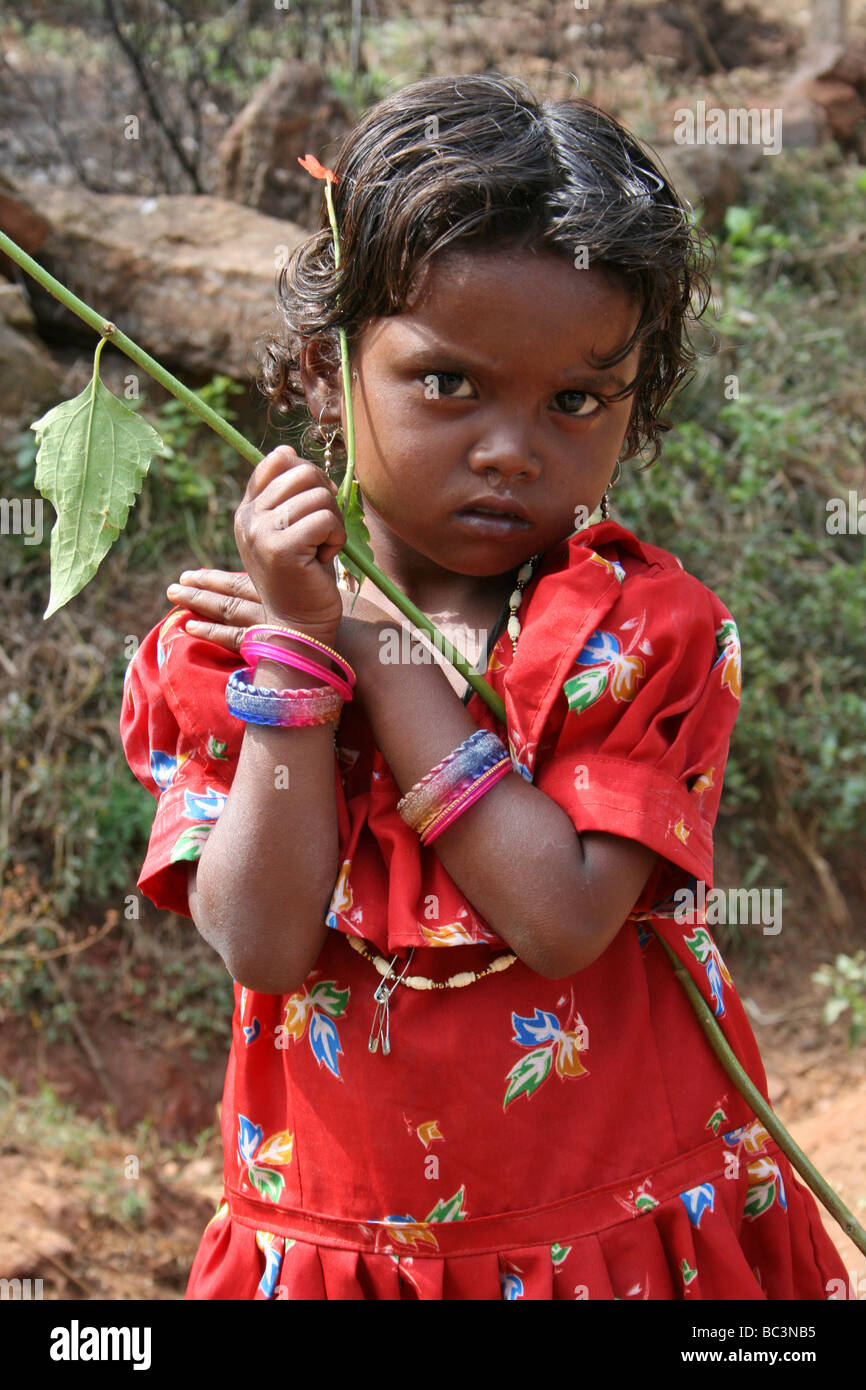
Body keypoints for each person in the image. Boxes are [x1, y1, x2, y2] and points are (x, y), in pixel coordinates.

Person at [119, 73, 849, 1300]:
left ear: (634, 405)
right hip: (349, 1245)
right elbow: (260, 940)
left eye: (575, 400)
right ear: (324, 366)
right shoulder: (227, 644)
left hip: (617, 1243)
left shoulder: (640, 638)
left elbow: (561, 920)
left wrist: (379, 654)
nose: (512, 447)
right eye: (448, 384)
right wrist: (303, 658)